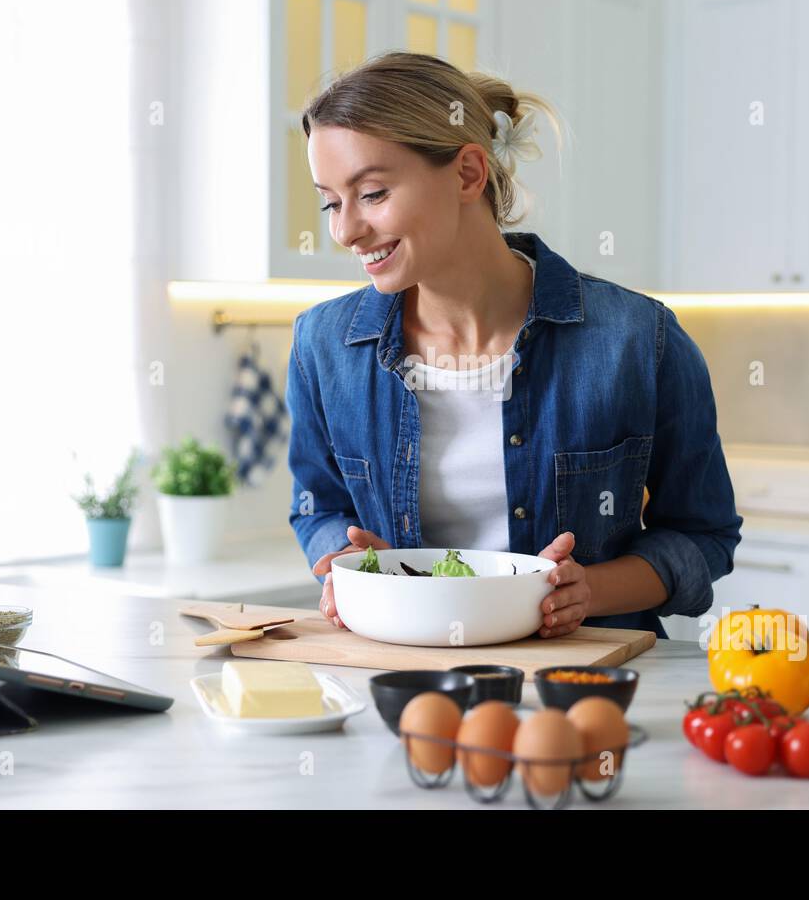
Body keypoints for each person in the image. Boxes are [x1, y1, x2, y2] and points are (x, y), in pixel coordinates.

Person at [286, 52, 741, 639]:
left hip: (581, 685)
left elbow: (704, 536)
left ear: (467, 174)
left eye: (371, 193)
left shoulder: (635, 339)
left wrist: (590, 589)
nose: (345, 230)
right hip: (401, 671)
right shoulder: (323, 347)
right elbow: (317, 507)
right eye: (330, 202)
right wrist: (348, 566)